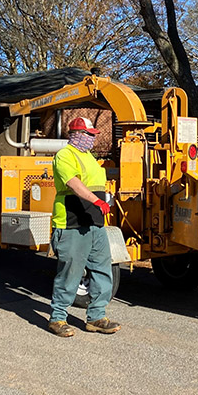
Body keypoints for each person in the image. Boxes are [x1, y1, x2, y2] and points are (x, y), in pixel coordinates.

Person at [47, 116, 121, 337]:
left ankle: (97, 317)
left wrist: (106, 197)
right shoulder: (64, 156)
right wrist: (96, 200)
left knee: (102, 269)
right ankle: (58, 318)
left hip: (94, 223)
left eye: (93, 135)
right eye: (89, 135)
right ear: (77, 134)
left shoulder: (89, 157)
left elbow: (95, 183)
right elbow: (73, 183)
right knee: (71, 272)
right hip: (72, 222)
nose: (92, 139)